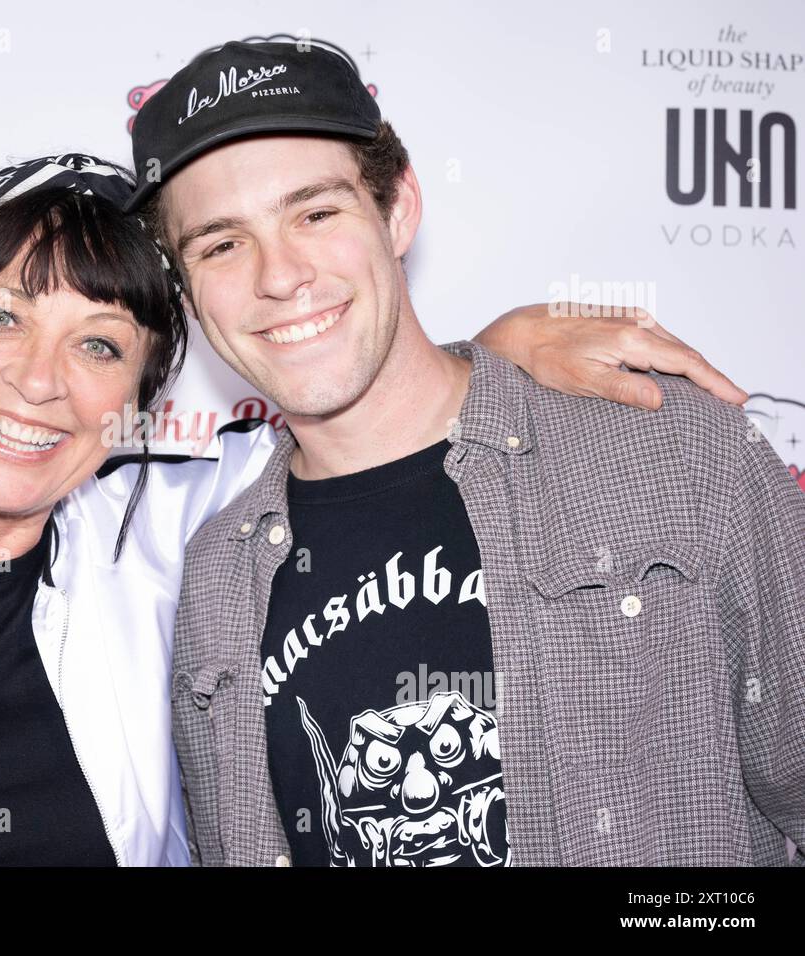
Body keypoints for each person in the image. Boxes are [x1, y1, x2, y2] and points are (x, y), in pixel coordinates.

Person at [0, 151, 744, 866]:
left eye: (97, 346)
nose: (36, 381)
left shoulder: (173, 531)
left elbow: (362, 398)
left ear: (144, 398)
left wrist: (496, 345)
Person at [130, 38, 805, 867]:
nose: (280, 276)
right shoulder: (214, 583)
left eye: (315, 212)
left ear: (399, 207)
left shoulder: (679, 458)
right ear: (188, 288)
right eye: (222, 244)